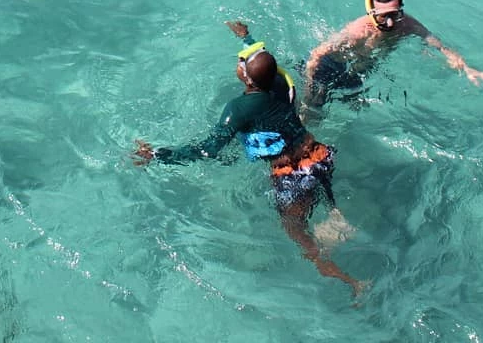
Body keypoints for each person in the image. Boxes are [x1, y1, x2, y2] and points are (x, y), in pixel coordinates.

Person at [133, 39, 363, 295]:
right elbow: (266, 65)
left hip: (291, 174)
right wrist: (248, 38)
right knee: (322, 198)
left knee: (296, 231)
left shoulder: (237, 109)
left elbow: (208, 149)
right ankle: (335, 216)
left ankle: (351, 281)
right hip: (320, 155)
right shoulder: (277, 84)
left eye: (241, 62)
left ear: (247, 78)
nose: (239, 62)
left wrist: (158, 154)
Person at [302, 0, 483, 115]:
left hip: (362, 70)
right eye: (384, 16)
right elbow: (318, 53)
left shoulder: (407, 25)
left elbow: (440, 47)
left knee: (354, 112)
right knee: (313, 110)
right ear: (372, 12)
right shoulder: (358, 31)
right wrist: (310, 80)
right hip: (331, 67)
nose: (391, 23)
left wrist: (468, 69)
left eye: (395, 14)